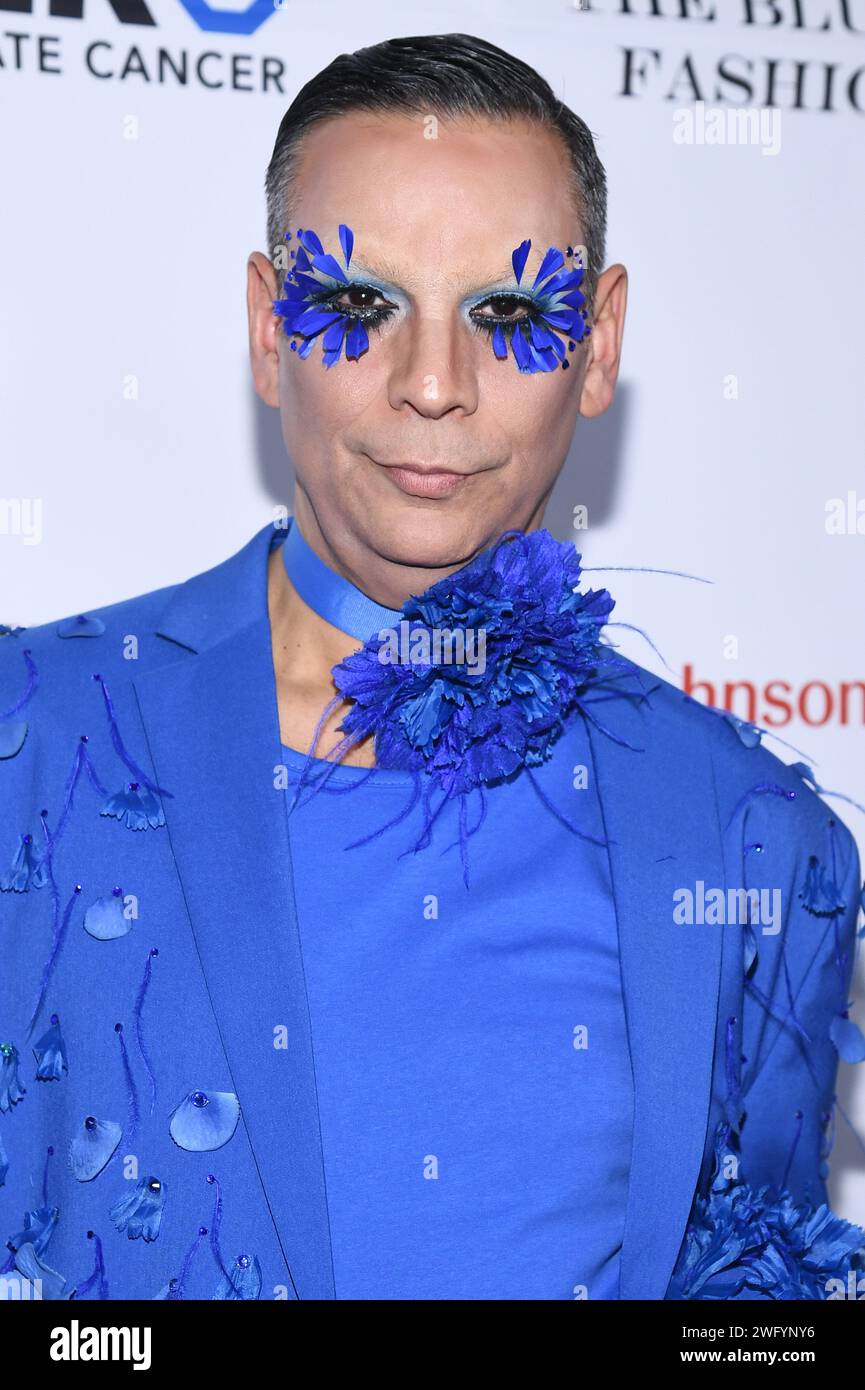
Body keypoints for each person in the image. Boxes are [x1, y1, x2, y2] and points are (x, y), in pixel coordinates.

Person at [1, 33, 862, 1303]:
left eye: (506, 312)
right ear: (263, 325)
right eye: (359, 304)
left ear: (601, 339)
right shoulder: (39, 737)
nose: (431, 385)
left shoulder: (757, 840)